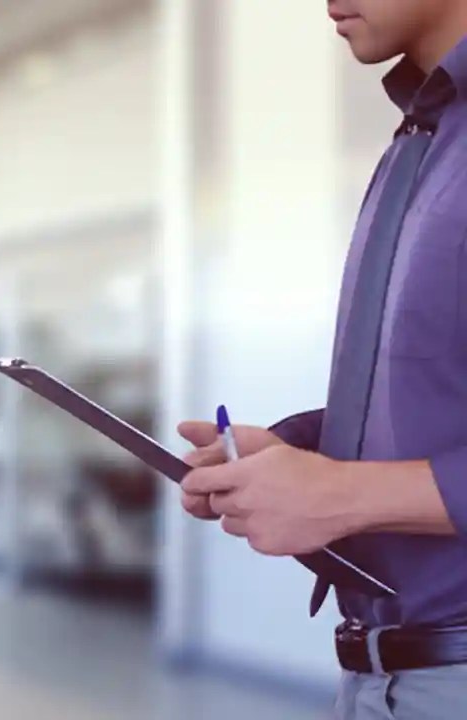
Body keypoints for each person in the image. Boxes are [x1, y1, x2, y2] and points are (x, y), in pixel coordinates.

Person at [178, 2, 467, 717]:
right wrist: (298, 451)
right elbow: (431, 389)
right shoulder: (419, 142)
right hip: (378, 676)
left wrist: (340, 496)